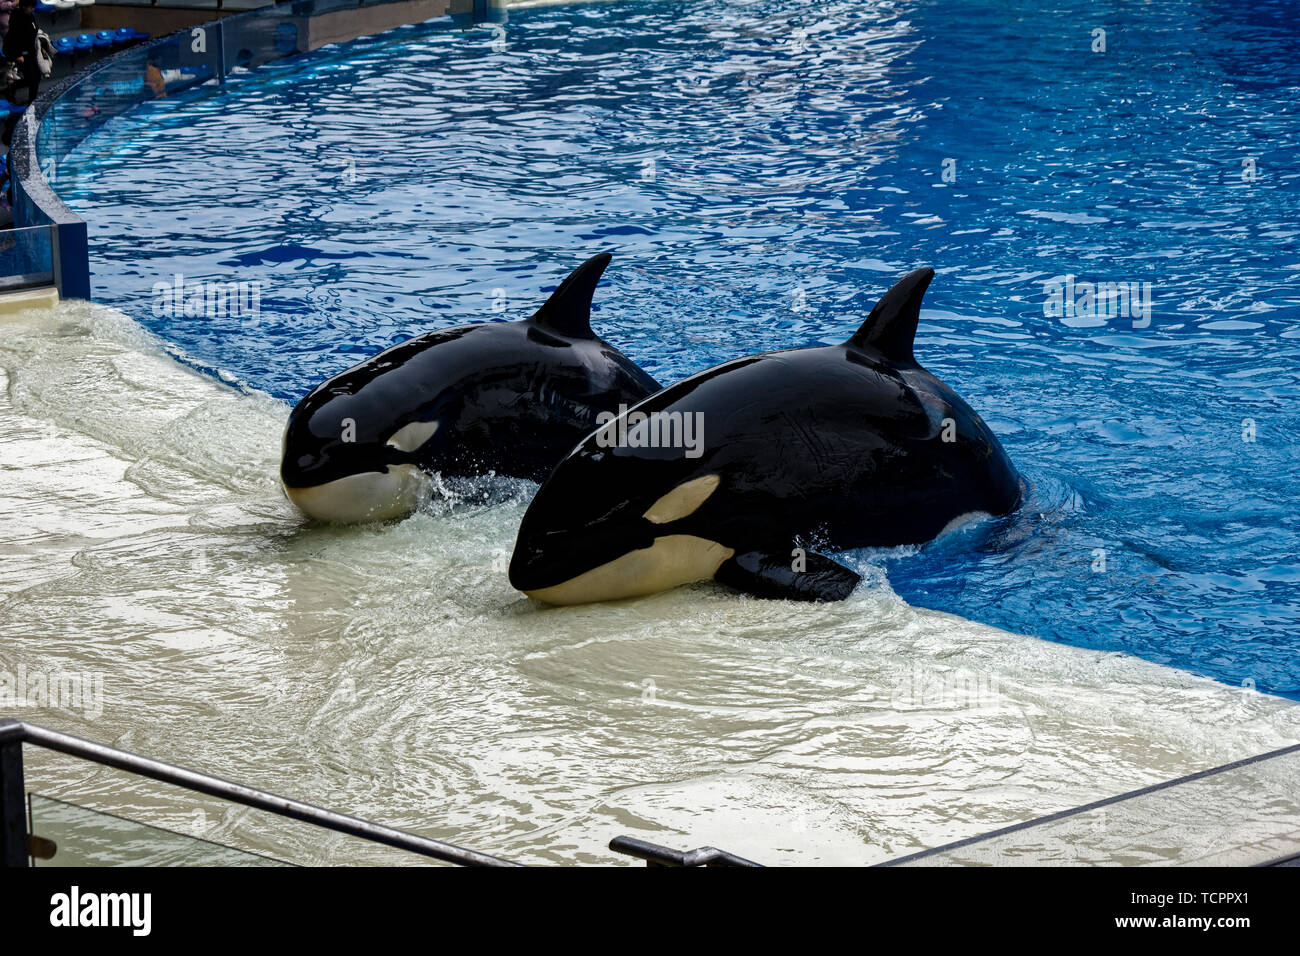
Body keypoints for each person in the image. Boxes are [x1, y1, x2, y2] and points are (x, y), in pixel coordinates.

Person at [3, 0, 39, 105]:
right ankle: (12, 89)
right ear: (24, 6)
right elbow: (14, 38)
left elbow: (34, 30)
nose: (32, 9)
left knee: (34, 77)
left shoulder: (30, 16)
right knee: (32, 78)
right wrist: (18, 54)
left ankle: (31, 100)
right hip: (18, 52)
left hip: (29, 51)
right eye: (30, 7)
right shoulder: (17, 17)